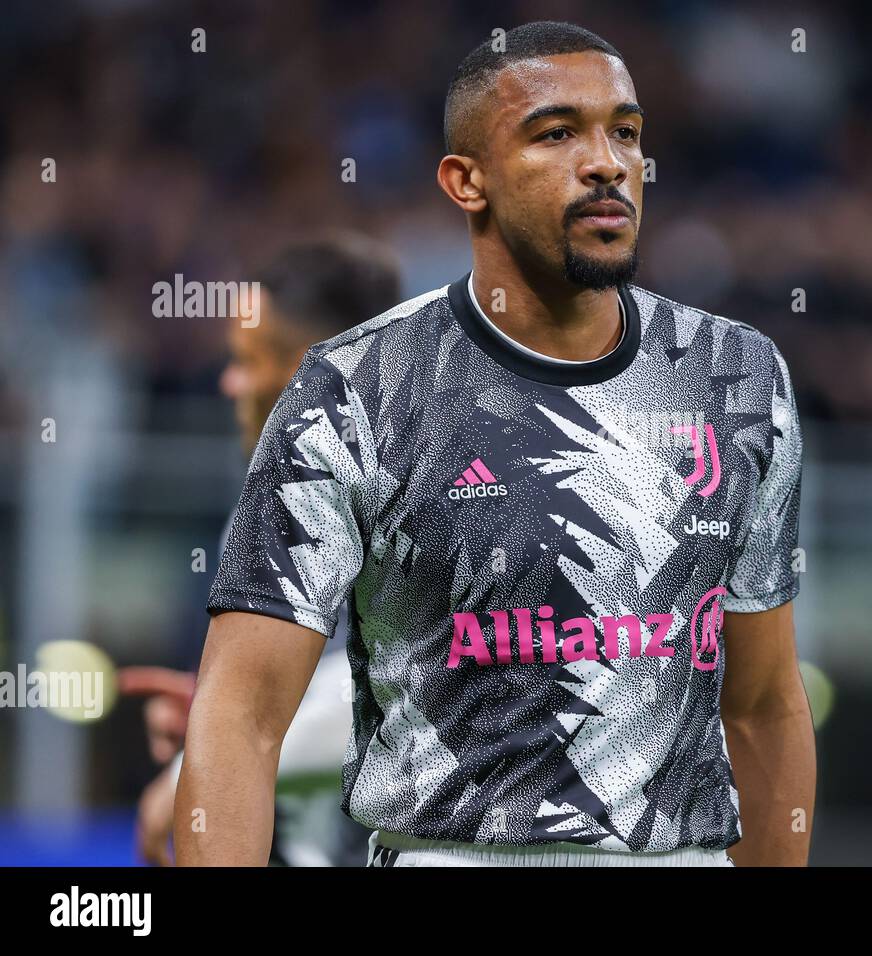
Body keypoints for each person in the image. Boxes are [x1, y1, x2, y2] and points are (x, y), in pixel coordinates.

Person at [178, 20, 816, 868]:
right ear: (465, 180)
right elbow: (241, 715)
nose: (607, 162)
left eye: (624, 132)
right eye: (556, 134)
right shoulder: (356, 387)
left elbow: (765, 704)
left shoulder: (736, 377)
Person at [122, 232, 402, 865]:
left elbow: (412, 689)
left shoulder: (424, 491)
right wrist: (222, 705)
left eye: (247, 359)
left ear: (311, 366)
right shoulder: (277, 494)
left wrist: (208, 756)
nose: (229, 382)